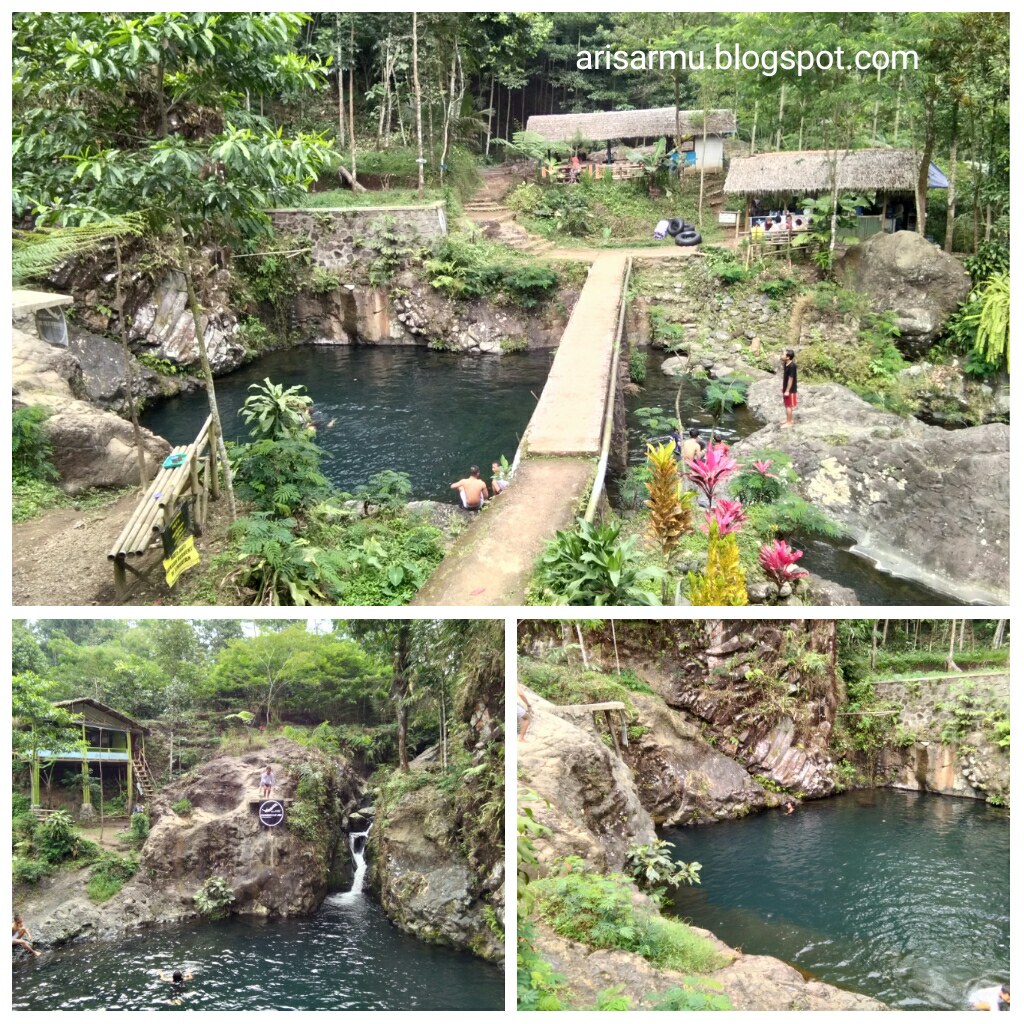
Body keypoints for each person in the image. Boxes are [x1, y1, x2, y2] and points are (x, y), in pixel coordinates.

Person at [781, 349, 798, 428]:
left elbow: (791, 379)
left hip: (790, 390)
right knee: (787, 405)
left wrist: (787, 390)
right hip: (786, 388)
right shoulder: (786, 364)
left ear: (787, 357)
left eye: (783, 354)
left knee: (789, 406)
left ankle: (789, 422)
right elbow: (786, 378)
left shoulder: (792, 366)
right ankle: (789, 419)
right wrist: (783, 387)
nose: (782, 355)